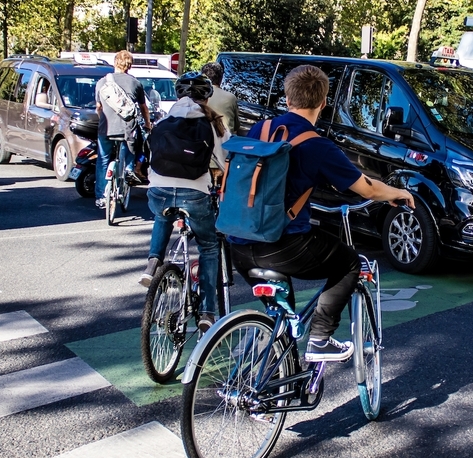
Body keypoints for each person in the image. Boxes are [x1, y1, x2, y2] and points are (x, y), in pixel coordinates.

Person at [228, 65, 414, 362]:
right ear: (324, 102)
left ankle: (280, 375)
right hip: (284, 246)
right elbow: (366, 189)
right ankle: (320, 338)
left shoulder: (259, 129)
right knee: (349, 263)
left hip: (239, 242)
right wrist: (397, 193)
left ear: (287, 99)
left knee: (281, 318)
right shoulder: (317, 145)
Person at [141, 72, 230, 332]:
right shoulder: (213, 124)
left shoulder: (164, 120)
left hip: (158, 188)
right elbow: (226, 158)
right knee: (209, 247)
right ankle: (208, 311)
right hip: (195, 191)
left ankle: (153, 261)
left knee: (162, 216)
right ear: (207, 97)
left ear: (178, 95)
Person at [94, 50, 152, 209]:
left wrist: (103, 119)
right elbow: (143, 108)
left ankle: (101, 196)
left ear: (115, 63)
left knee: (103, 160)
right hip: (127, 129)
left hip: (106, 128)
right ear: (129, 65)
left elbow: (98, 107)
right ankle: (128, 170)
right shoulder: (135, 83)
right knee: (132, 147)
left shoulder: (102, 82)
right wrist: (147, 124)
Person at [201, 62, 240, 136]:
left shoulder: (198, 96)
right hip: (226, 139)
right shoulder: (231, 98)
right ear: (221, 78)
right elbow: (236, 127)